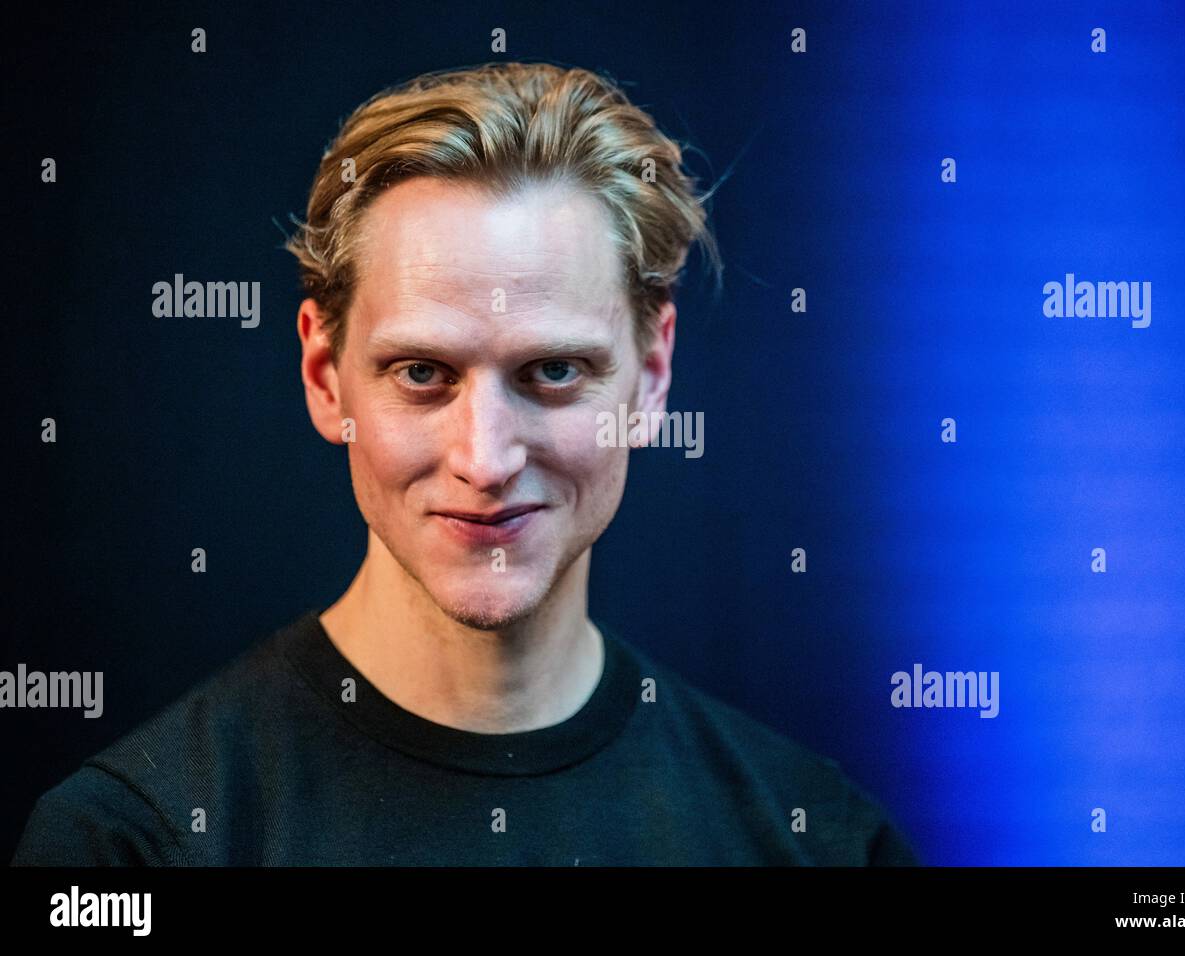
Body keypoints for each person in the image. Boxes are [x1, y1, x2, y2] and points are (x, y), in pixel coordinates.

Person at [11, 62, 919, 866]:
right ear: (327, 379)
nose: (484, 459)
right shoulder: (132, 846)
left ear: (649, 378)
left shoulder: (820, 841)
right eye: (421, 373)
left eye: (553, 371)